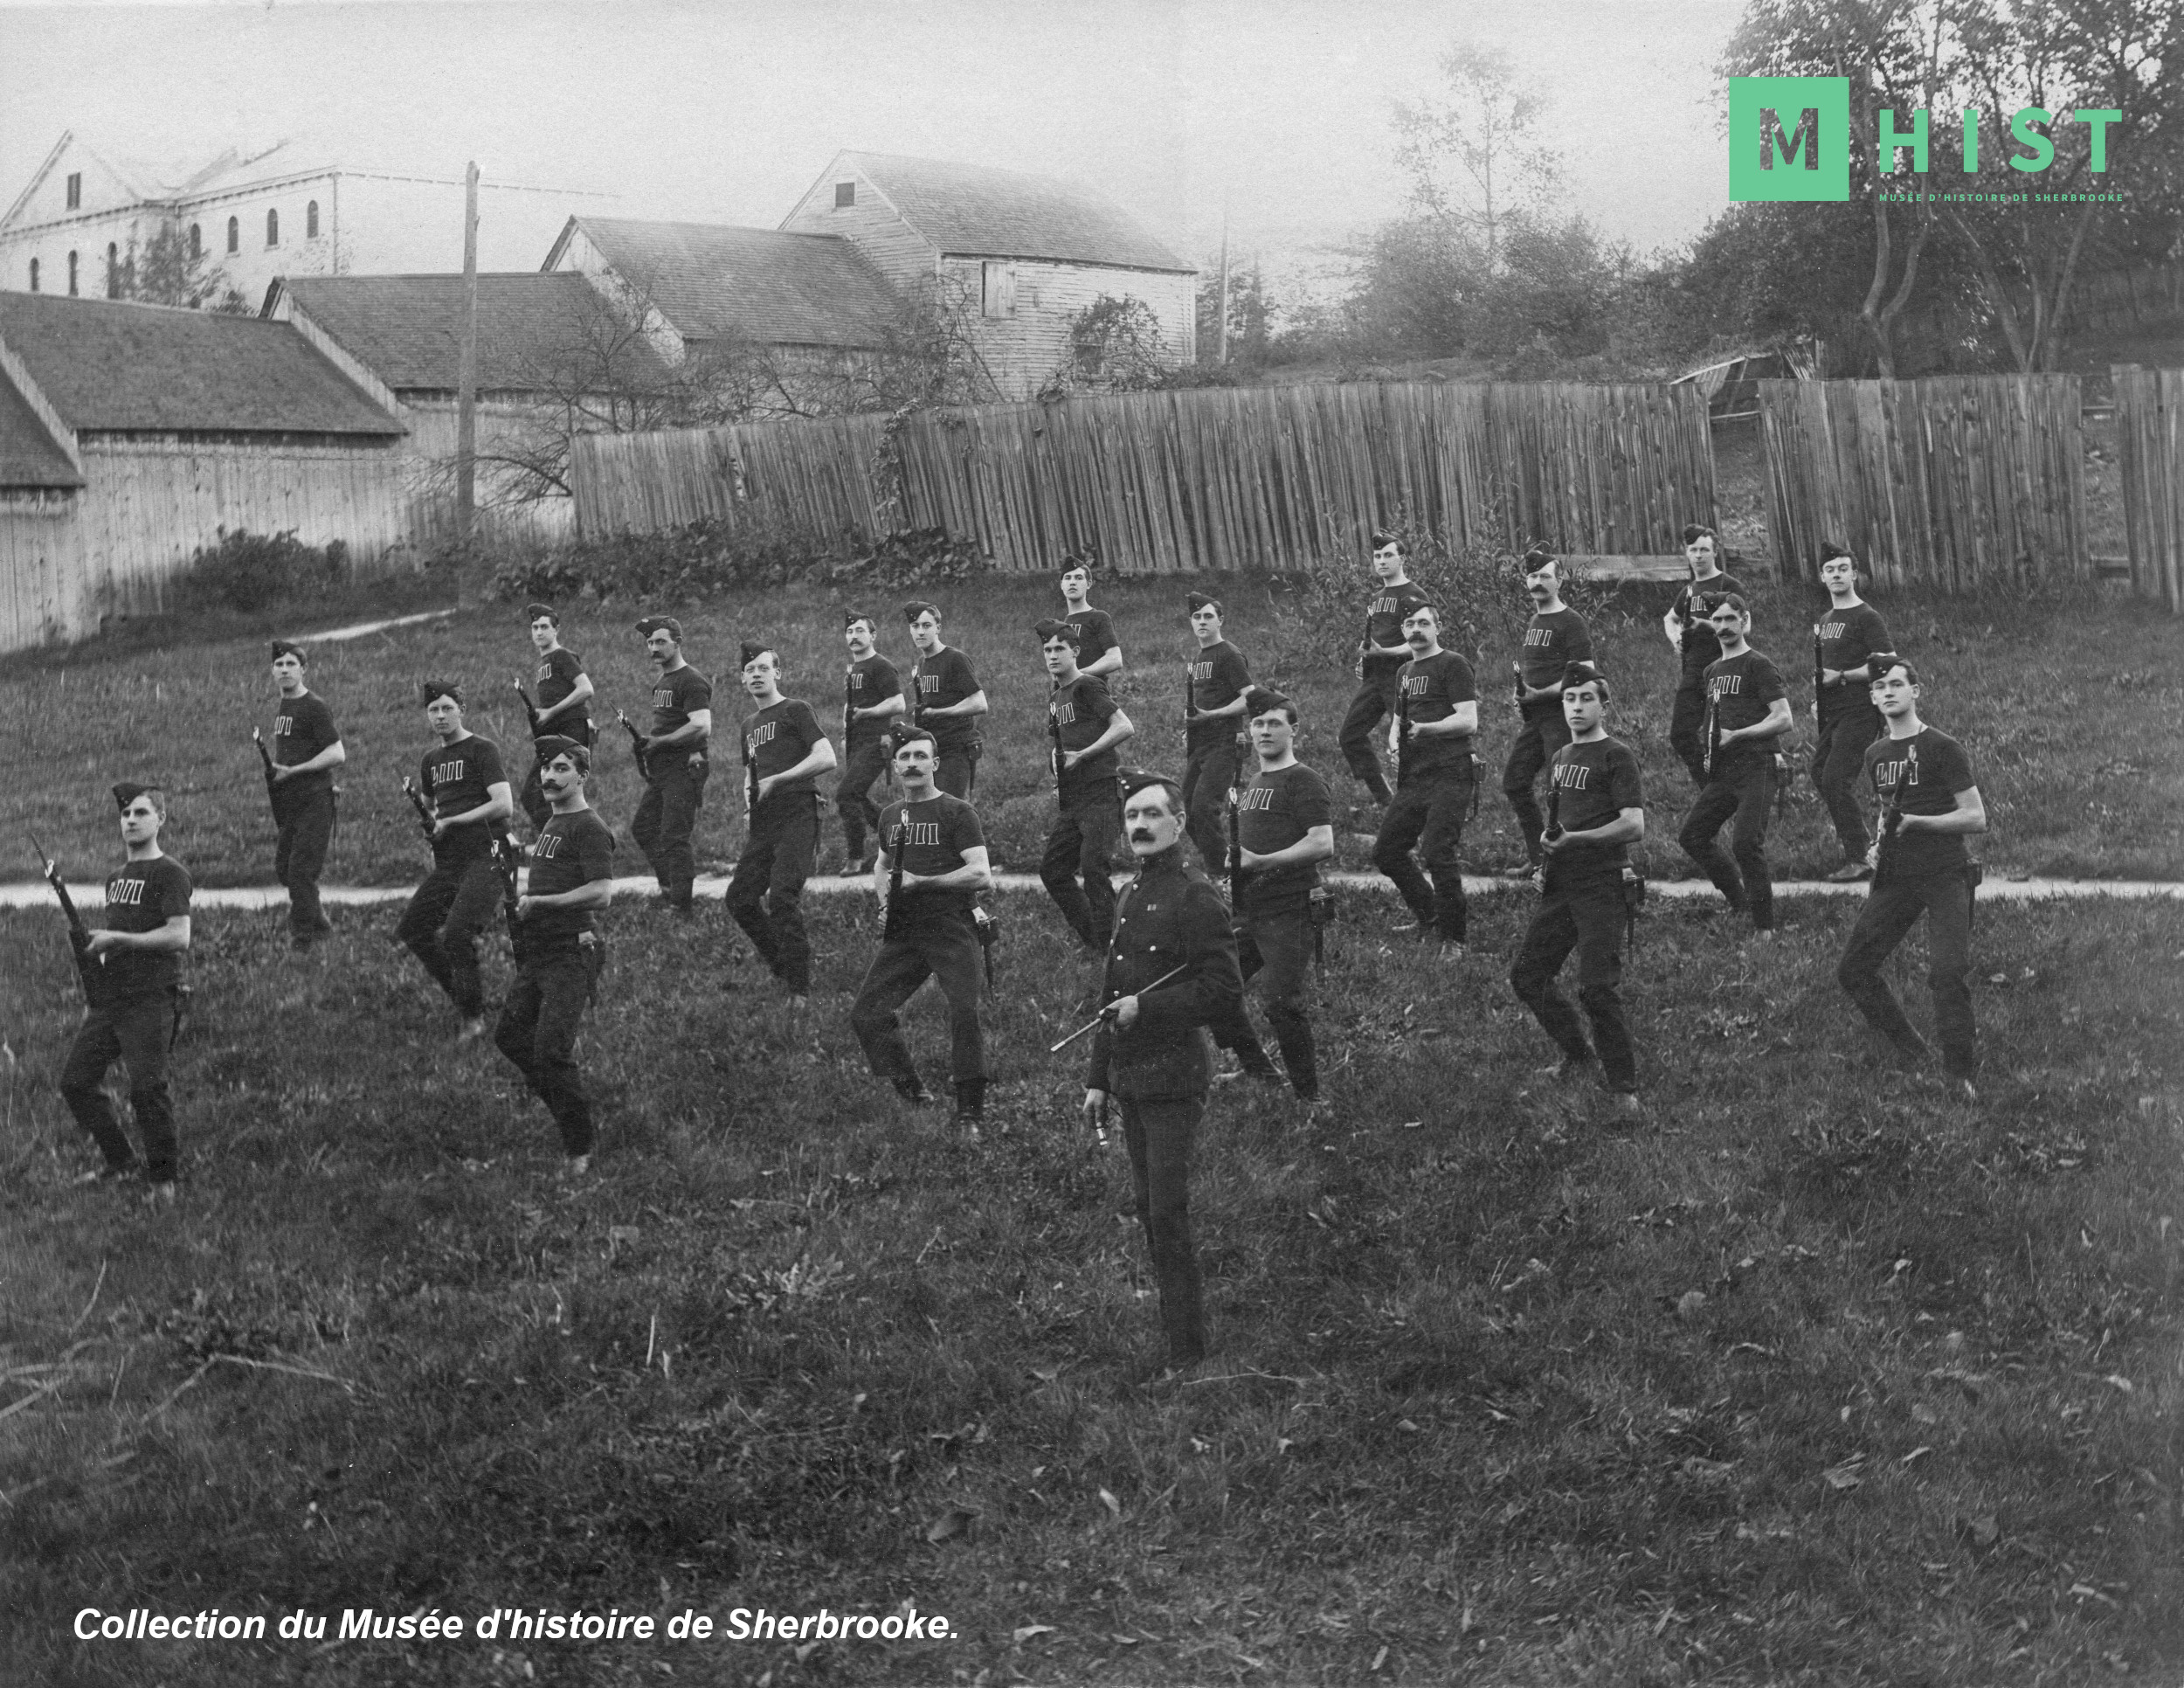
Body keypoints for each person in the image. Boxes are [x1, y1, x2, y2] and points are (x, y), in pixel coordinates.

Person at [1082, 771, 1245, 1371]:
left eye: (1153, 815)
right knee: (1150, 1207)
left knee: (1167, 1214)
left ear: (1179, 823)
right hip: (1131, 1078)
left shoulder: (1195, 896)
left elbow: (1224, 990)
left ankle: (1187, 1354)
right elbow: (1112, 990)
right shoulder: (1129, 892)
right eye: (1132, 817)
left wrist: (1147, 1009)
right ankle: (1177, 1326)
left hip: (1174, 1077)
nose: (1140, 825)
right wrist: (1098, 1078)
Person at [1836, 658, 1987, 1100]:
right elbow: (1889, 812)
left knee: (1947, 972)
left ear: (1915, 691)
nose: (1888, 692)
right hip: (1897, 875)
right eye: (1880, 687)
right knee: (1854, 970)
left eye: (1897, 684)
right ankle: (1913, 1051)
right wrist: (1876, 845)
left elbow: (1975, 817)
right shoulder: (1875, 754)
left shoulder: (1943, 747)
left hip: (1945, 872)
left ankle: (1959, 1073)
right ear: (1872, 697)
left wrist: (1920, 823)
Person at [1510, 664, 1645, 1117]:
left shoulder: (1617, 756)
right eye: (1569, 699)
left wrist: (1576, 841)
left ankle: (1624, 1090)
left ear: (1605, 706)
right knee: (1528, 976)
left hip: (1603, 884)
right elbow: (1559, 824)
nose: (1576, 707)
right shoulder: (1562, 757)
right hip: (1562, 884)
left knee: (1597, 988)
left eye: (1587, 698)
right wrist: (1546, 865)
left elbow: (1634, 825)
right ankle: (1578, 1054)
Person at [850, 728, 996, 1129]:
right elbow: (882, 864)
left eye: (920, 756)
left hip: (952, 924)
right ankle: (911, 1089)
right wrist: (885, 903)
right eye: (905, 757)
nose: (912, 764)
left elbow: (981, 874)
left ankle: (970, 1110)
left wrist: (923, 883)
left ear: (935, 764)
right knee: (867, 1013)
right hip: (907, 930)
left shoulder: (957, 812)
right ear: (895, 766)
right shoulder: (890, 815)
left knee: (963, 1011)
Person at [56, 783, 192, 1198]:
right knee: (76, 1082)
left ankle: (164, 1183)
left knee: (148, 1089)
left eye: (141, 812)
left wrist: (117, 939)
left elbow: (179, 936)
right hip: (112, 999)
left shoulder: (170, 872)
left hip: (152, 998)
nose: (131, 821)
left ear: (160, 819)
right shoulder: (115, 878)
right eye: (125, 814)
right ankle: (122, 1162)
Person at [494, 736, 615, 1174]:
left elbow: (601, 894)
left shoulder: (588, 826)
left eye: (562, 768)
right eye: (546, 768)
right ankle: (559, 1096)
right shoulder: (553, 823)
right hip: (541, 952)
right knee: (510, 1036)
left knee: (550, 1051)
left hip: (572, 951)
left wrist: (541, 903)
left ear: (582, 776)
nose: (549, 776)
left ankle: (579, 1148)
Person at [1228, 688, 1335, 1103]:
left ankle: (1310, 1098)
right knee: (1217, 987)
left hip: (1290, 909)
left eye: (1274, 723)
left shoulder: (1302, 779)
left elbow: (1322, 843)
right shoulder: (1254, 782)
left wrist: (1261, 862)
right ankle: (1258, 1069)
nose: (1264, 730)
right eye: (1257, 723)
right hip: (1249, 910)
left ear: (1294, 731)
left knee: (1280, 1002)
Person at [396, 681, 515, 1038]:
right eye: (433, 710)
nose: (440, 716)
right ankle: (468, 998)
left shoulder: (482, 749)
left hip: (489, 853)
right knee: (413, 929)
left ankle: (473, 1019)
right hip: (452, 860)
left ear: (462, 710)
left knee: (457, 933)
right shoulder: (430, 760)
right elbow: (431, 809)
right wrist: (433, 825)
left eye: (448, 708)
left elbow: (503, 805)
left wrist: (452, 821)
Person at [1676, 596, 1793, 935]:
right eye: (1717, 620)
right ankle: (1741, 903)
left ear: (1744, 620)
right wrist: (1709, 749)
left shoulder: (1758, 664)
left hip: (1759, 766)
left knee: (1745, 844)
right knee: (1693, 836)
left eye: (1730, 619)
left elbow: (1784, 719)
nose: (1724, 626)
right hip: (1724, 771)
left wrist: (1738, 735)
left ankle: (1765, 929)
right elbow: (1713, 722)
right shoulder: (1711, 671)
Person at [729, 642, 836, 999]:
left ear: (777, 673)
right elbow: (750, 773)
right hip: (764, 820)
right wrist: (749, 804)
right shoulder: (748, 725)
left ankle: (800, 990)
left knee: (782, 897)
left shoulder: (795, 709)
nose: (757, 674)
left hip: (798, 811)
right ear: (742, 679)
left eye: (763, 668)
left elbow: (826, 756)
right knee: (740, 899)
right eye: (750, 670)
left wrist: (778, 780)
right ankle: (783, 965)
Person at [1371, 605, 1478, 952]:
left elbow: (1468, 721)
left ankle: (1454, 938)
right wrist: (1394, 745)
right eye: (1409, 624)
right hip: (1415, 774)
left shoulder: (1453, 664)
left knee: (1437, 850)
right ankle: (1430, 915)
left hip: (1452, 771)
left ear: (1438, 627)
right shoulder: (1404, 671)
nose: (1416, 629)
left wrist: (1426, 729)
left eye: (1423, 623)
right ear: (1403, 631)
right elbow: (1397, 721)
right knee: (1387, 851)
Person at [1037, 619, 1136, 956]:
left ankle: (1113, 949)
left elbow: (1124, 726)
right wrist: (1057, 770)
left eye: (1059, 649)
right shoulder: (1056, 696)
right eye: (1047, 650)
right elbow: (1061, 743)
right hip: (1073, 798)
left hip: (1101, 793)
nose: (1052, 655)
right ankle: (1097, 941)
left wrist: (1083, 755)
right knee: (1053, 871)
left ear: (1075, 652)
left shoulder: (1088, 686)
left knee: (1094, 870)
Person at [1503, 548, 1594, 875]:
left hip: (1561, 718)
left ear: (1559, 582)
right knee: (1515, 782)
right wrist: (1520, 695)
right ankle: (1539, 859)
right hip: (1535, 720)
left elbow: (1585, 672)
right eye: (1532, 576)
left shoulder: (1571, 622)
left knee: (1563, 791)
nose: (1538, 582)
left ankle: (1573, 865)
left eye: (1545, 576)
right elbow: (1536, 671)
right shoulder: (1534, 620)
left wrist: (1539, 694)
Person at [1811, 543, 1896, 881]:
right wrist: (1820, 694)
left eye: (1843, 569)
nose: (1836, 575)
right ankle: (1865, 845)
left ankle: (1859, 857)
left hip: (1860, 711)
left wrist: (1843, 677)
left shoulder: (1866, 616)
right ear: (1822, 577)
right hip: (1833, 712)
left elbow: (1888, 661)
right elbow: (1827, 668)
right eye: (1830, 570)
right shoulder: (1825, 620)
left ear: (1854, 574)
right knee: (1820, 773)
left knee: (1835, 778)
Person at [1337, 529, 1431, 807]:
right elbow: (1376, 635)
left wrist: (1385, 653)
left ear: (1402, 559)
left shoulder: (1414, 594)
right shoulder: (1377, 597)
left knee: (1407, 739)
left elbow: (1422, 642)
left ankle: (1422, 799)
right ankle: (1384, 798)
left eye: (1388, 555)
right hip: (1375, 678)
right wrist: (1364, 660)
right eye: (1377, 556)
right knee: (1349, 735)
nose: (1381, 561)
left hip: (1402, 677)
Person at [628, 616, 712, 913]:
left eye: (661, 641)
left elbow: (701, 726)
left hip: (685, 767)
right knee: (643, 828)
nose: (654, 648)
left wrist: (660, 742)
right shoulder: (662, 682)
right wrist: (648, 743)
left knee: (675, 836)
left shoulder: (691, 680)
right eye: (650, 642)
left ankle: (681, 906)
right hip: (663, 769)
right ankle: (669, 888)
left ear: (678, 643)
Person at [265, 640, 344, 950]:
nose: (284, 670)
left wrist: (296, 771)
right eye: (279, 665)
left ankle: (302, 939)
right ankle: (319, 921)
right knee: (285, 868)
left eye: (291, 664)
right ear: (272, 671)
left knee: (300, 871)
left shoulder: (314, 706)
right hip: (291, 799)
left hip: (315, 799)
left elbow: (337, 753)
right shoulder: (285, 705)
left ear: (304, 670)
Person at [1662, 524, 1745, 787]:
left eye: (1704, 550)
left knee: (1718, 736)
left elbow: (1746, 627)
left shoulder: (1729, 585)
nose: (1698, 556)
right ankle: (1711, 788)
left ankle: (1732, 790)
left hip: (1723, 669)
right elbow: (1669, 618)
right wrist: (1676, 638)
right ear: (1687, 553)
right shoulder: (1689, 590)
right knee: (1680, 734)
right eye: (1693, 550)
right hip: (1693, 670)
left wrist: (1705, 625)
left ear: (1715, 552)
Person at [1179, 591, 1251, 870]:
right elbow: (1205, 699)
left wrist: (1211, 716)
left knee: (1203, 809)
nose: (1202, 621)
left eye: (1208, 616)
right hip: (1199, 743)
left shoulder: (1229, 654)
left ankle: (1224, 874)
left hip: (1223, 742)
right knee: (1187, 810)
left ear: (1220, 620)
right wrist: (1191, 726)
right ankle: (1222, 865)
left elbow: (1250, 699)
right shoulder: (1200, 657)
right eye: (1197, 617)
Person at [835, 609, 906, 874]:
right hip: (856, 742)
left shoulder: (881, 665)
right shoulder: (853, 669)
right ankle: (898, 839)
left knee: (846, 795)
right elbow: (850, 705)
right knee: (855, 796)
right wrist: (846, 734)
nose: (854, 636)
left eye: (860, 631)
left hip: (878, 740)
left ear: (873, 635)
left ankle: (855, 858)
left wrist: (867, 713)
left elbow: (898, 703)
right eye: (849, 632)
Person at [516, 604, 594, 832]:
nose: (539, 632)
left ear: (556, 630)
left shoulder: (561, 656)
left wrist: (550, 712)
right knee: (540, 794)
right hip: (554, 733)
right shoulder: (545, 662)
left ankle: (561, 840)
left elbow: (586, 689)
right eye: (535, 627)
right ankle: (562, 840)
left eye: (544, 627)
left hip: (569, 731)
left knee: (539, 792)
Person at [903, 601, 988, 799]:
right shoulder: (922, 662)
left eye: (927, 625)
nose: (921, 632)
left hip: (955, 751)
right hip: (932, 751)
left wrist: (939, 712)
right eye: (915, 626)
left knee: (949, 808)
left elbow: (979, 703)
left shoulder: (955, 659)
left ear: (938, 628)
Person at [1059, 556, 1124, 681]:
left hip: (1094, 689)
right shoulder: (1063, 625)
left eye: (1079, 578)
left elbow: (1115, 659)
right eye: (1067, 578)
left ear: (1088, 584)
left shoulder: (1099, 617)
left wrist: (1078, 675)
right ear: (1062, 585)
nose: (1072, 582)